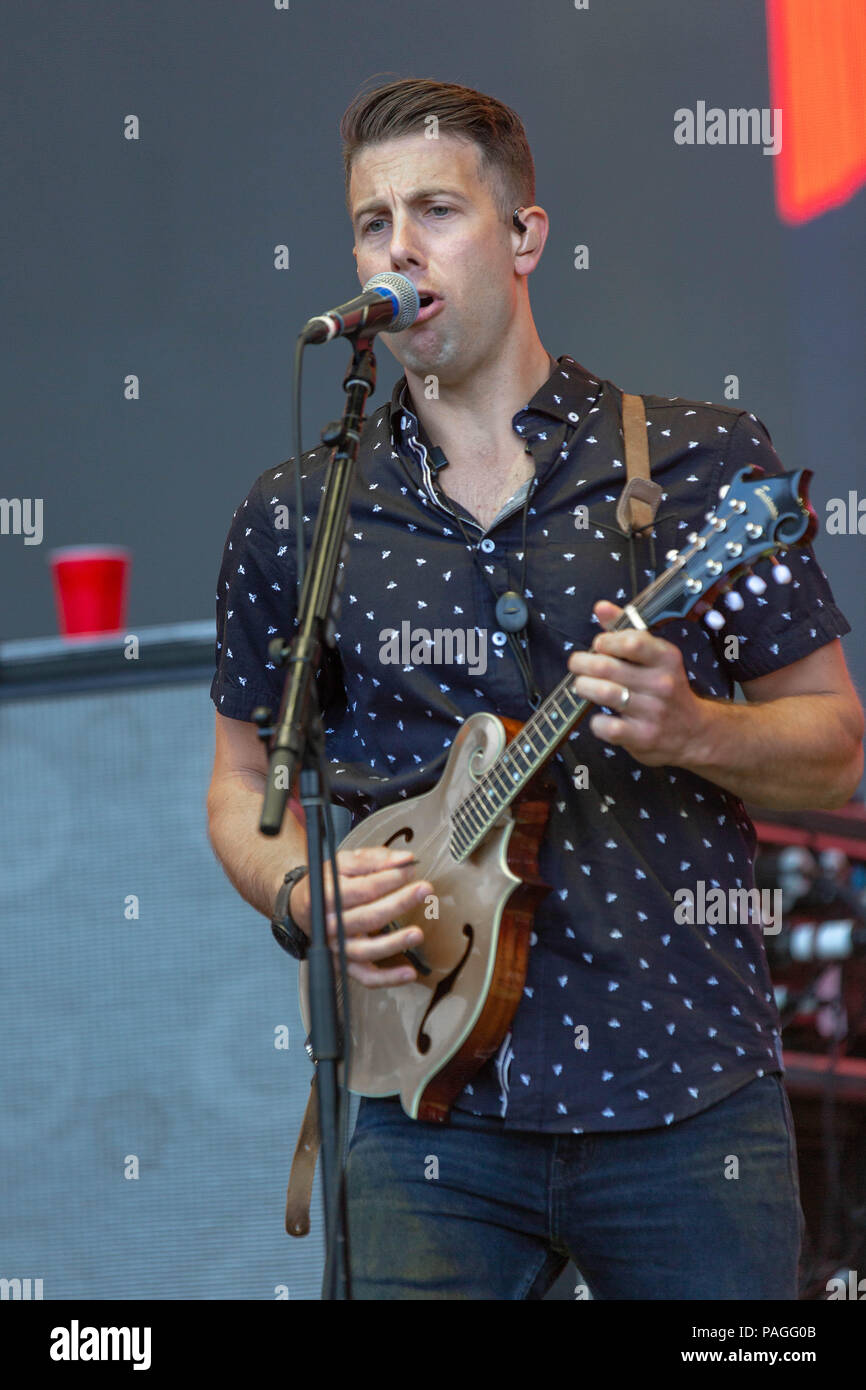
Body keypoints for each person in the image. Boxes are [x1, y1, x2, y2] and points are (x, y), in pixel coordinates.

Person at [206, 77, 863, 1300]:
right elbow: (240, 778)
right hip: (423, 1108)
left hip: (686, 1098)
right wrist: (303, 889)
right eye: (369, 221)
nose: (395, 246)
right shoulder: (300, 511)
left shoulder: (701, 459)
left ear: (522, 237)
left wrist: (694, 728)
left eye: (436, 210)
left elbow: (835, 747)